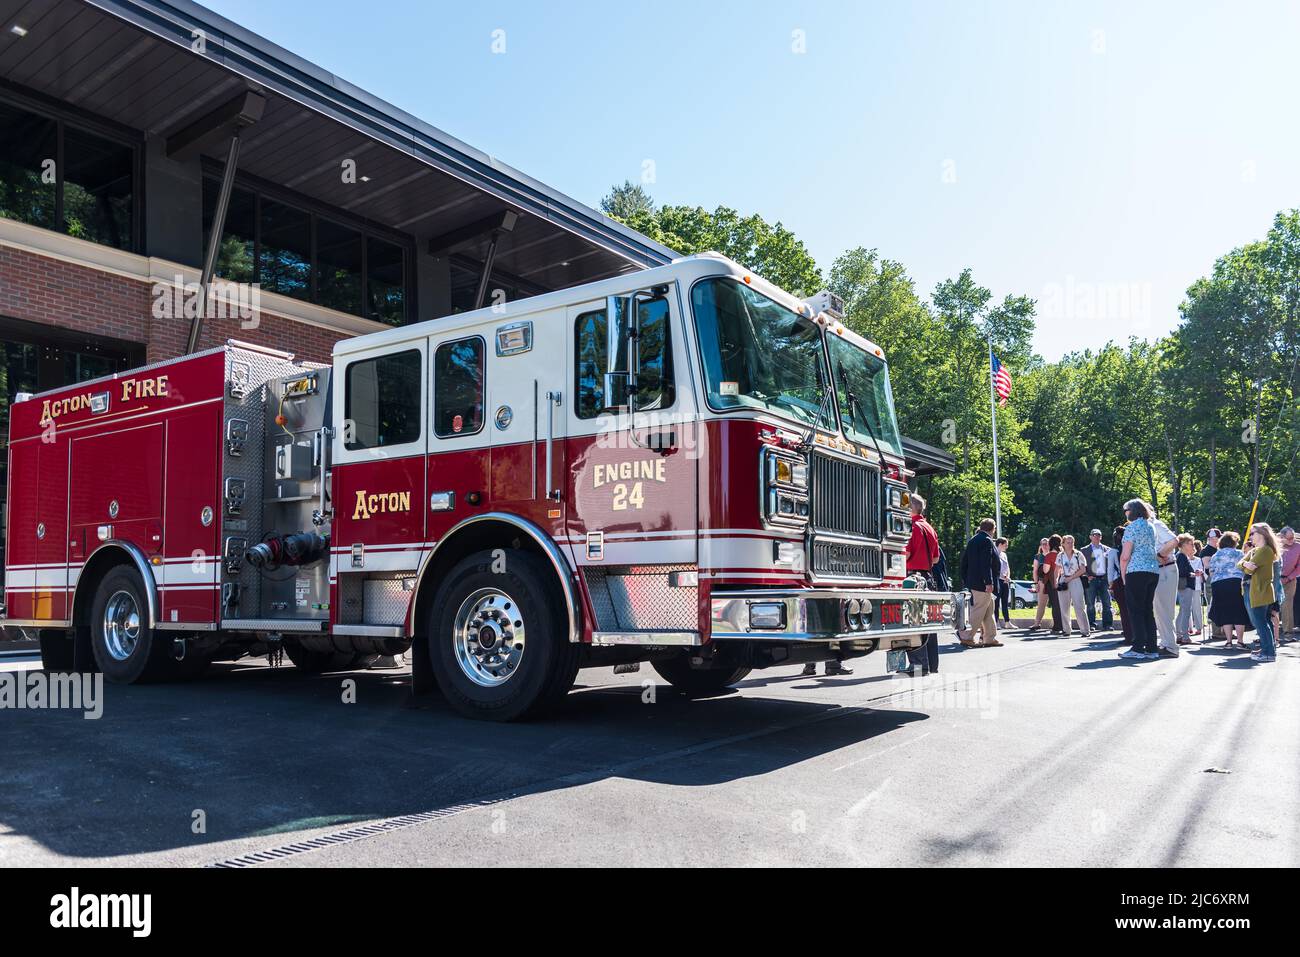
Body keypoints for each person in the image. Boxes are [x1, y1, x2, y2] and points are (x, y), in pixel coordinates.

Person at [1118, 499, 1160, 660]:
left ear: (1133, 511)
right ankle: (1151, 648)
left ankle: (1137, 648)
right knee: (1147, 610)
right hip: (1152, 571)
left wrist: (1123, 575)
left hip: (1136, 571)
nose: (1125, 513)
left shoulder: (1132, 528)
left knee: (1135, 611)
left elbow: (1125, 555)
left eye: (1126, 510)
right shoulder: (1150, 526)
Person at [958, 518, 1003, 647]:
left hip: (974, 582)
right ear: (992, 529)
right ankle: (966, 636)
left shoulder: (973, 540)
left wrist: (967, 580)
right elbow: (986, 563)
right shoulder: (987, 541)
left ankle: (989, 637)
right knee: (978, 611)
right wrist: (988, 582)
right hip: (983, 584)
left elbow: (964, 563)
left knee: (989, 610)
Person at [1238, 523, 1280, 663]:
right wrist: (1245, 564)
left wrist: (1246, 565)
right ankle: (1268, 650)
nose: (1250, 536)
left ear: (1261, 533)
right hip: (1254, 590)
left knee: (1261, 623)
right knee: (1263, 622)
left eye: (1252, 533)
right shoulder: (1256, 550)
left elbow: (1250, 570)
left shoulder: (1265, 551)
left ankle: (1268, 653)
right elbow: (1240, 564)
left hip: (1260, 591)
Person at [1207, 532, 1251, 649]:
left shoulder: (1215, 555)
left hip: (1218, 584)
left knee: (1225, 611)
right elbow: (1245, 568)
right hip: (1235, 583)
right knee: (1239, 611)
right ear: (1234, 543)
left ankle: (1228, 641)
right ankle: (1240, 641)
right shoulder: (1239, 553)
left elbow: (1211, 571)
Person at [1148, 509, 1181, 657]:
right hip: (1160, 570)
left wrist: (1160, 554)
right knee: (1159, 610)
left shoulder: (1156, 524)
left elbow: (1174, 540)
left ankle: (1171, 646)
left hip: (1166, 569)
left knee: (1165, 610)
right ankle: (1166, 643)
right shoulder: (1150, 527)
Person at [1055, 534, 1091, 637]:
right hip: (1063, 579)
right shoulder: (1060, 555)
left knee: (1079, 605)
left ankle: (1085, 630)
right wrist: (1056, 580)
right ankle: (1066, 630)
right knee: (1064, 606)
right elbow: (1057, 569)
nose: (1070, 544)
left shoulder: (1078, 554)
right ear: (1063, 544)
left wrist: (1071, 578)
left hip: (1075, 579)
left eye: (1072, 542)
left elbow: (1083, 570)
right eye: (1068, 542)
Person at [1081, 528, 1114, 631]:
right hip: (1092, 579)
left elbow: (1111, 565)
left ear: (1101, 537)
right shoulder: (1084, 550)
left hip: (1104, 579)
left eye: (1099, 535)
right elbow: (1081, 566)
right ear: (1090, 537)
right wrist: (1087, 575)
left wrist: (1110, 579)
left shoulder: (1107, 549)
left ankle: (1107, 625)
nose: (1097, 537)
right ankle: (1091, 624)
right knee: (1090, 604)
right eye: (1094, 535)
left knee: (1107, 604)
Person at [1174, 534, 1199, 645]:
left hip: (1183, 586)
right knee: (1186, 611)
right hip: (1186, 586)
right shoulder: (1182, 556)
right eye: (1190, 543)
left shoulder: (1180, 555)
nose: (1192, 546)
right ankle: (1185, 637)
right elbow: (1182, 572)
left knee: (1182, 611)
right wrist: (1194, 574)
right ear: (1183, 545)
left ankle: (1180, 635)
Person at [1110, 525, 1131, 642]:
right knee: (1132, 608)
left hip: (1118, 580)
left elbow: (1110, 571)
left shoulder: (1113, 551)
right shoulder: (1131, 548)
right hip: (1131, 578)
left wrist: (1110, 583)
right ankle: (1135, 633)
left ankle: (1128, 635)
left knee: (1123, 609)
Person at [1280, 526, 1299, 640]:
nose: (1292, 540)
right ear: (1282, 537)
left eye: (1293, 537)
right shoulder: (1275, 546)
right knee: (1270, 606)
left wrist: (1289, 577)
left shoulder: (1298, 547)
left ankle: (1288, 632)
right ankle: (1269, 633)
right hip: (1274, 579)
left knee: (1287, 604)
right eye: (1289, 538)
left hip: (1290, 579)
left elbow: (1299, 566)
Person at [1044, 534, 1064, 634]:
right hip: (1064, 581)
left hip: (1053, 582)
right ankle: (1065, 625)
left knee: (1056, 605)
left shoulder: (1049, 556)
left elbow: (1046, 570)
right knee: (1064, 604)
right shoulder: (1063, 554)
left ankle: (1057, 626)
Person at [1031, 538, 1052, 630]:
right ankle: (1037, 623)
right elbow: (1035, 570)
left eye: (1046, 543)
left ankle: (1057, 624)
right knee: (1041, 604)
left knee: (1056, 604)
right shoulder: (1038, 556)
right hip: (1042, 581)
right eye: (1043, 544)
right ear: (1040, 545)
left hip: (1053, 581)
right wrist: (1036, 583)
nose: (1044, 545)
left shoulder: (1053, 555)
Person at [995, 537, 1012, 626]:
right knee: (996, 602)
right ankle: (996, 622)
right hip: (998, 580)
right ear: (1000, 544)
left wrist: (1007, 577)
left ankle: (1007, 622)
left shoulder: (1004, 555)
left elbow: (1007, 567)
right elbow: (995, 568)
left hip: (1005, 581)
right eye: (1005, 545)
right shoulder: (994, 553)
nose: (1006, 547)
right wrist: (1003, 576)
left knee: (1005, 602)